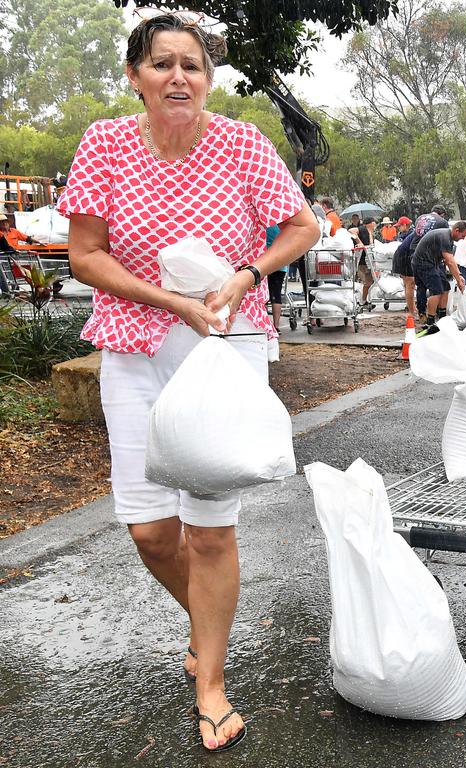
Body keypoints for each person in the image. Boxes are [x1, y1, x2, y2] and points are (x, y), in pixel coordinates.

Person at [58, 12, 319, 753]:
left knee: (208, 531)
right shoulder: (105, 143)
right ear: (136, 77)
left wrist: (247, 274)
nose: (180, 77)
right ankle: (206, 626)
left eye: (194, 65)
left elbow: (301, 228)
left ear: (209, 78)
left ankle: (211, 678)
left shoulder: (241, 143)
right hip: (135, 345)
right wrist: (169, 300)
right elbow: (85, 254)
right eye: (162, 64)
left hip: (226, 347)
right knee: (148, 528)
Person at [412, 221, 466, 333]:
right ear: (457, 230)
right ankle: (430, 322)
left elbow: (449, 261)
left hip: (433, 263)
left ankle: (442, 318)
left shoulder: (448, 238)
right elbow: (450, 261)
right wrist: (458, 279)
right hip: (423, 263)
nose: (462, 239)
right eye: (462, 236)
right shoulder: (445, 237)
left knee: (445, 287)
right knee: (437, 291)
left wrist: (459, 276)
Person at [351, 217, 377, 310]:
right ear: (369, 223)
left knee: (370, 282)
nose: (375, 225)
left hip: (367, 260)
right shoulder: (362, 229)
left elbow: (370, 243)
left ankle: (365, 300)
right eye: (374, 223)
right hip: (362, 261)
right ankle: (362, 301)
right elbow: (351, 230)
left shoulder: (369, 232)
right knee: (366, 282)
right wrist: (359, 242)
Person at [265, 224, 287, 329]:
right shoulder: (283, 226)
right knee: (276, 294)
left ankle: (264, 324)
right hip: (281, 263)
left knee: (264, 294)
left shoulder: (265, 226)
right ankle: (276, 325)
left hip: (265, 262)